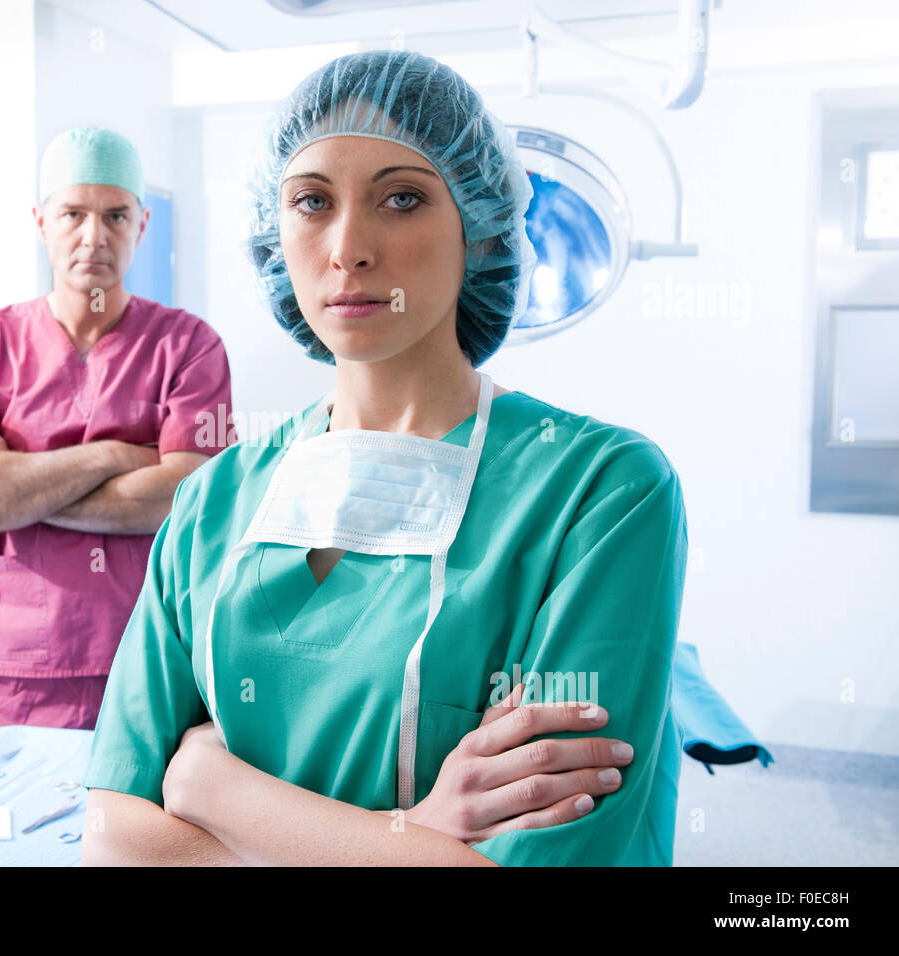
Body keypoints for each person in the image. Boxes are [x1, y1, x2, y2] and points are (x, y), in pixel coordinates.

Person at [80, 51, 688, 866]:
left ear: (479, 230)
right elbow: (114, 841)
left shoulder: (601, 491)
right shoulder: (213, 499)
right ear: (274, 229)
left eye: (402, 198)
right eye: (311, 201)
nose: (350, 247)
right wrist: (405, 841)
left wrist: (211, 789)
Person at [0, 127, 235, 732]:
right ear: (41, 223)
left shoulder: (189, 347)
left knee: (142, 826)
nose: (94, 237)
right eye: (72, 214)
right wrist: (120, 454)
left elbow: (186, 494)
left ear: (140, 226)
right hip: (14, 672)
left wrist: (13, 478)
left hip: (150, 657)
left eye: (116, 216)